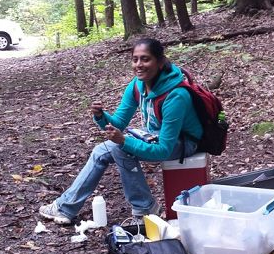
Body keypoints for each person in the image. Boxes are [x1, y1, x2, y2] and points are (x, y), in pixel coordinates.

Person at [39, 38, 203, 225]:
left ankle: (145, 209)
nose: (139, 65)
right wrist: (102, 117)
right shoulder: (137, 85)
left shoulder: (176, 95)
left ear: (160, 62)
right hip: (153, 135)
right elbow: (118, 122)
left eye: (145, 59)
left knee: (119, 148)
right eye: (135, 59)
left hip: (183, 143)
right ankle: (65, 207)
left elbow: (164, 149)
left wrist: (124, 141)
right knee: (101, 151)